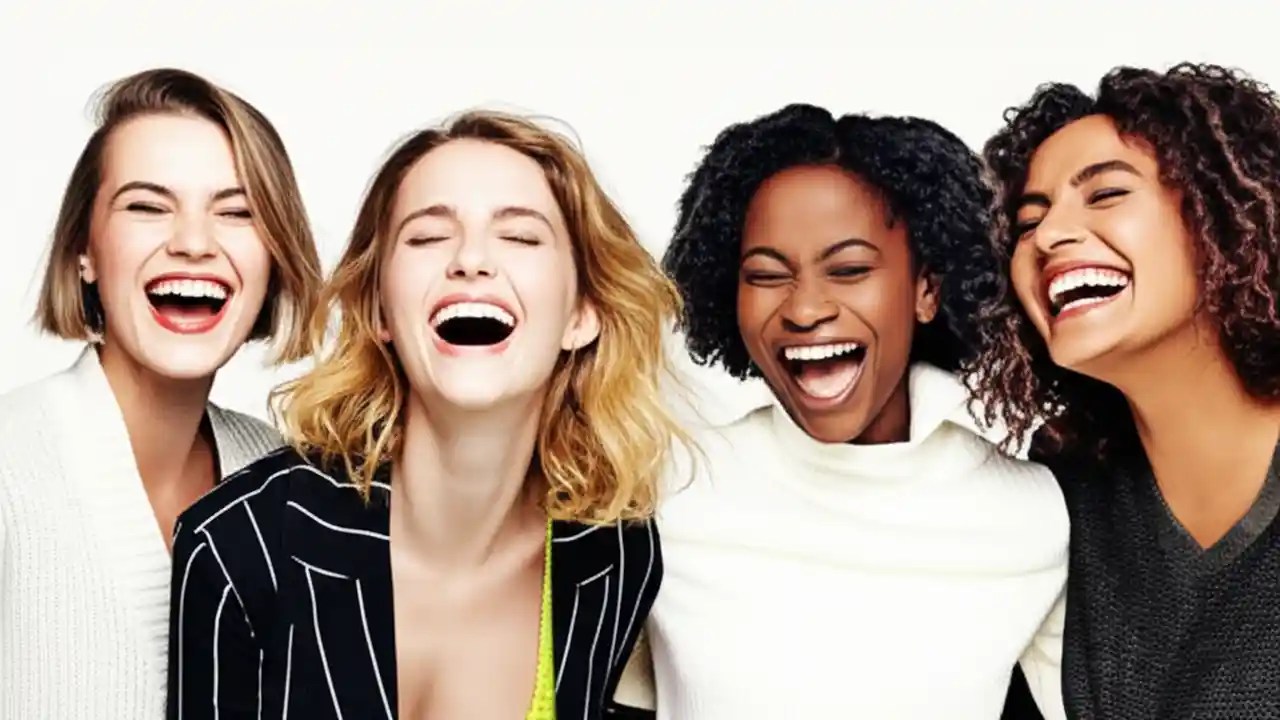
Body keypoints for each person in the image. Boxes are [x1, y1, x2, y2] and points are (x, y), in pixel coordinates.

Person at [166, 110, 687, 719]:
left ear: (582, 314)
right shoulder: (239, 545)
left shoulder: (612, 553)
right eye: (427, 237)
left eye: (519, 237)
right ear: (381, 308)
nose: (470, 260)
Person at [646, 103, 1070, 719]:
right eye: (766, 275)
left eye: (848, 270)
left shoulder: (1031, 517)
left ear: (927, 289)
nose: (805, 308)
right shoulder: (670, 488)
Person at [0, 67, 322, 718]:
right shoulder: (10, 464)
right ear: (83, 251)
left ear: (275, 258)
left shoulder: (292, 481)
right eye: (147, 206)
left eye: (237, 213)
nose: (194, 243)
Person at [974, 63, 1280, 720]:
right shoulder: (1062, 492)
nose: (1049, 237)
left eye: (1106, 194)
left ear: (1223, 215)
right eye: (1029, 221)